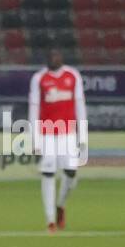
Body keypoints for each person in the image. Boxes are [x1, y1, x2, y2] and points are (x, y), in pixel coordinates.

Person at [29, 48, 87, 232]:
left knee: (71, 172)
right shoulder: (39, 78)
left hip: (68, 132)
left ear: (62, 57)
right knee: (48, 173)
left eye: (57, 55)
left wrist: (83, 135)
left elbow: (80, 104)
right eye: (51, 56)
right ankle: (50, 220)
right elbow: (34, 108)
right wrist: (34, 139)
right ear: (47, 58)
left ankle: (60, 204)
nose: (54, 58)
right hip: (46, 133)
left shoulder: (72, 75)